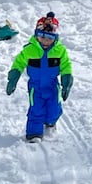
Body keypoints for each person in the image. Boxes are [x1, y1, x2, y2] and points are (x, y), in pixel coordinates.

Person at [6, 12, 73, 142]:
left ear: (55, 37)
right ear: (37, 35)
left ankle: (50, 122)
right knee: (36, 109)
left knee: (54, 109)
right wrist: (13, 77)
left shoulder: (60, 50)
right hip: (35, 87)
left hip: (53, 86)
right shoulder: (29, 50)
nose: (46, 41)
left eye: (50, 38)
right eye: (42, 37)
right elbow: (19, 63)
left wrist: (67, 80)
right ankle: (34, 133)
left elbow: (66, 65)